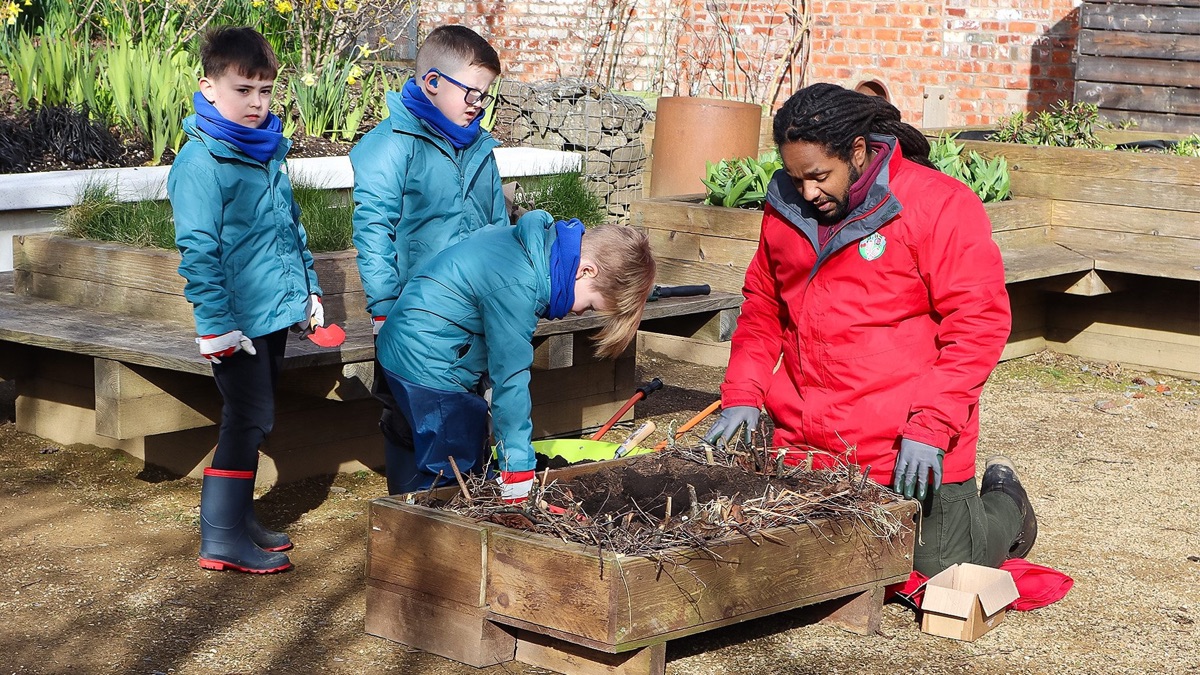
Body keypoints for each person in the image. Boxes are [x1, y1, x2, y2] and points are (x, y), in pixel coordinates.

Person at [703, 83, 1037, 577]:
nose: (808, 193)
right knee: (787, 564)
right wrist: (742, 394)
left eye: (819, 176)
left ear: (857, 152)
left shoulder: (938, 204)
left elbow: (978, 323)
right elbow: (762, 309)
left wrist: (930, 427)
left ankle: (1008, 504)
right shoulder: (784, 208)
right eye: (795, 179)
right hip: (806, 444)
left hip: (907, 446)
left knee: (938, 568)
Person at [170, 27, 325, 574]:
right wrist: (214, 325)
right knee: (247, 419)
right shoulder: (201, 164)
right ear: (208, 87)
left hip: (273, 314)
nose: (257, 103)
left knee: (257, 417)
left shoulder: (268, 153)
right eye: (244, 90)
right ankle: (220, 539)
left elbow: (290, 229)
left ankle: (237, 521)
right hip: (234, 322)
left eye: (266, 90)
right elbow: (198, 253)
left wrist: (309, 290)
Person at [374, 213, 656, 501]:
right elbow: (510, 382)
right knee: (452, 475)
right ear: (586, 271)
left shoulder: (533, 246)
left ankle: (396, 522)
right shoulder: (520, 282)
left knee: (410, 445)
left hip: (401, 347)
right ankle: (424, 536)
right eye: (592, 304)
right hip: (429, 364)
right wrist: (517, 471)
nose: (582, 312)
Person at [349, 25, 508, 495]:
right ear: (433, 82)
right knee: (409, 418)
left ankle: (458, 509)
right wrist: (383, 307)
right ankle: (412, 512)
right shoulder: (393, 143)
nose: (478, 103)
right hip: (410, 317)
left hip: (469, 315)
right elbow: (374, 229)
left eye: (485, 94)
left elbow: (497, 229)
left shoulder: (479, 147)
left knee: (466, 413)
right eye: (471, 92)